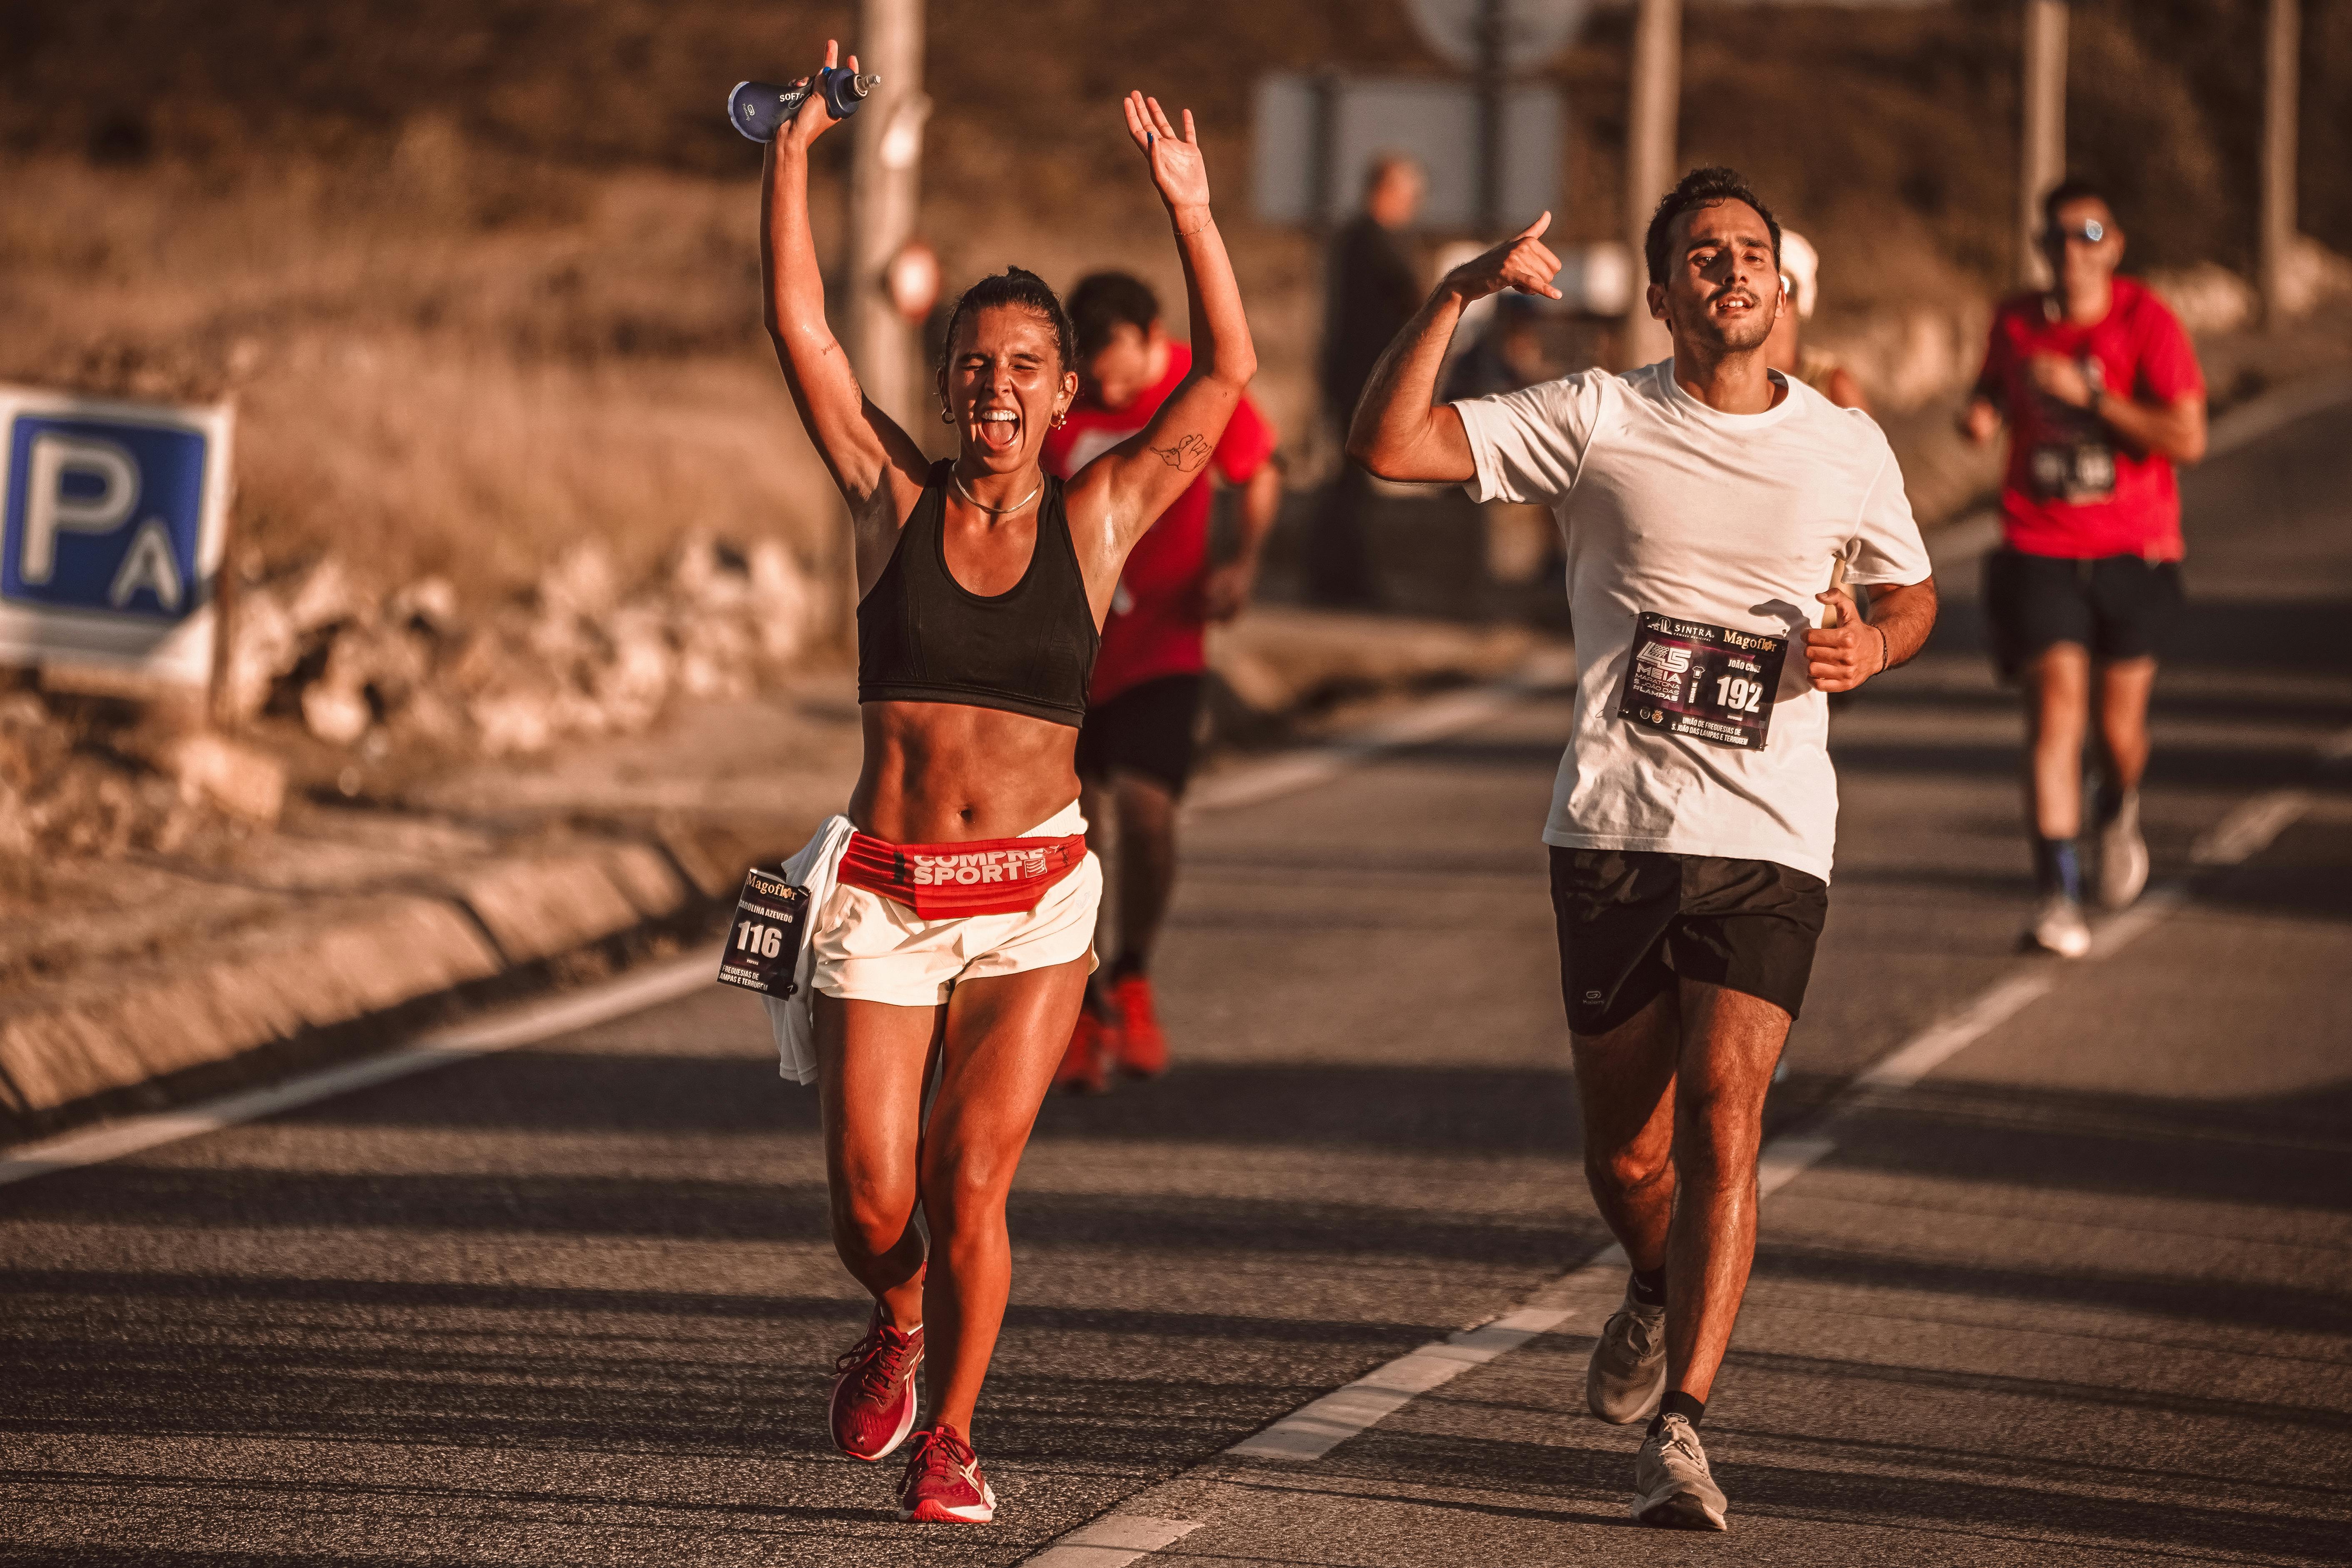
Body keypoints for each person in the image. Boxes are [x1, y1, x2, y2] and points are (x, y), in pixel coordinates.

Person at [1348, 167, 1937, 1530]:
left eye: (1750, 252)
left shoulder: (1845, 444)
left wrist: (1873, 647)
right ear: (1664, 295)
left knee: (1730, 1113)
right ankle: (1654, 1284)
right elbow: (1389, 447)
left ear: (1781, 288)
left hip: (1771, 832)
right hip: (1612, 827)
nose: (1730, 270)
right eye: (1700, 256)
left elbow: (1908, 590)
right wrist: (1451, 292)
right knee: (1629, 1164)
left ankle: (1683, 1427)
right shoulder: (1598, 416)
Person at [757, 40, 1256, 1524]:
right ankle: (897, 1318)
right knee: (871, 1201)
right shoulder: (887, 498)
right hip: (882, 894)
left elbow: (1226, 377)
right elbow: (803, 332)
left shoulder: (1099, 517)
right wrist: (790, 156)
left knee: (973, 1178)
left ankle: (954, 1436)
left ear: (1056, 400)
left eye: (1023, 368)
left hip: (1033, 893)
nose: (995, 385)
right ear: (951, 380)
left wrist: (1191, 209)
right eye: (975, 364)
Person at [1043, 271, 1282, 1091]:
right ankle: (1073, 1006)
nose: (1104, 390)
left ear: (1153, 337)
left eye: (1116, 370)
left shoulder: (1195, 385)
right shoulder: (1062, 400)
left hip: (1163, 645)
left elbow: (1258, 470)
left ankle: (1131, 974)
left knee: (1145, 820)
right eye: (1092, 375)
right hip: (1068, 651)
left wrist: (1239, 565)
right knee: (1070, 839)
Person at [1961, 178, 2207, 958]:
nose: (2072, 251)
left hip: (2131, 549)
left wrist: (2091, 397)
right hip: (2037, 543)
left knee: (2115, 730)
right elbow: (1988, 388)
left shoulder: (2147, 322)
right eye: (2057, 238)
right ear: (2041, 249)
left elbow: (2186, 437)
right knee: (2054, 711)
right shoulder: (2014, 321)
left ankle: (2119, 804)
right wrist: (1978, 412)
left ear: (2114, 244)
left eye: (2087, 234)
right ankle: (2054, 897)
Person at [1308, 151, 1426, 606]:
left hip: (1355, 374)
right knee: (1352, 481)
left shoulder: (1358, 239)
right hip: (1360, 377)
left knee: (1349, 480)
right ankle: (1341, 578)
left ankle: (1338, 575)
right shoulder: (1372, 242)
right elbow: (1409, 300)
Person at [1764, 230, 1868, 411]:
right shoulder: (1721, 381)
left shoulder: (1832, 385)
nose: (1776, 299)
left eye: (1785, 287)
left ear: (1803, 300)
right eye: (1765, 286)